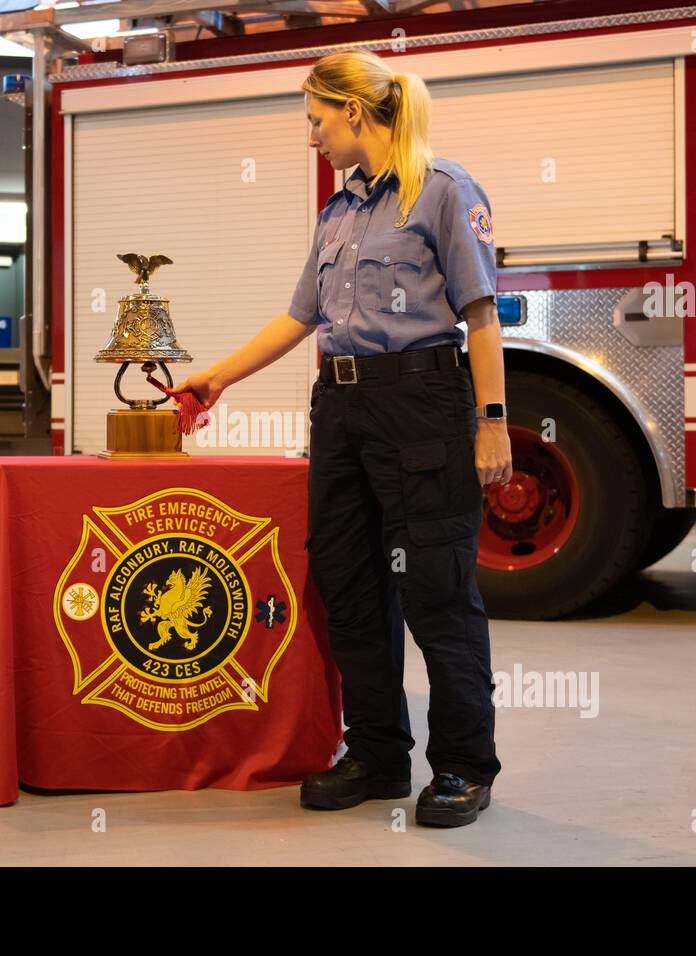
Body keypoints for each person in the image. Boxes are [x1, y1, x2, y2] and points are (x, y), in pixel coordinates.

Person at [172, 50, 511, 828]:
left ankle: (463, 765)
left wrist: (491, 425)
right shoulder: (339, 212)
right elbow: (300, 319)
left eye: (316, 118)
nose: (312, 135)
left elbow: (483, 315)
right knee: (349, 585)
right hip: (343, 409)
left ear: (353, 112)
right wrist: (217, 377)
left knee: (436, 589)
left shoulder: (443, 193)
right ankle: (378, 753)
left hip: (423, 403)